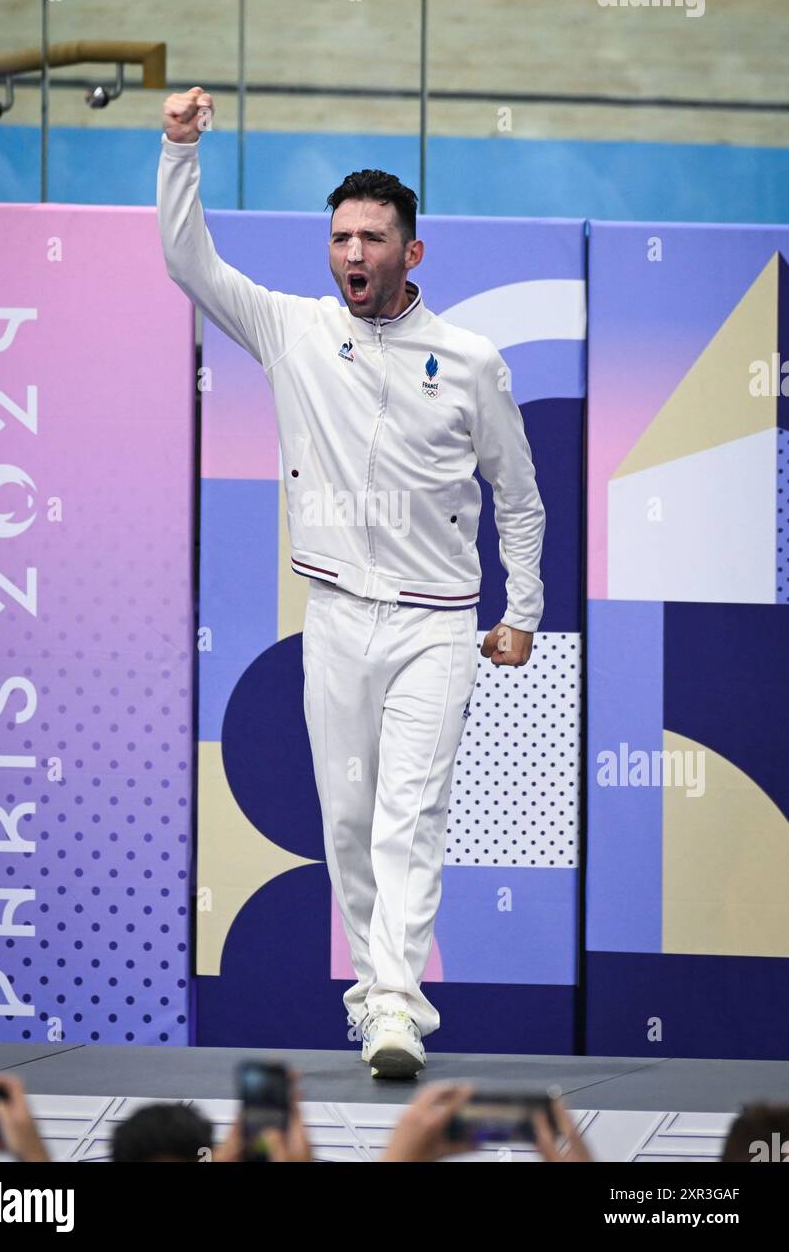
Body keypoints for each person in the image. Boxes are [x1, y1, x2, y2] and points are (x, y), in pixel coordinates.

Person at [157, 88, 546, 1079]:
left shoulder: (469, 362)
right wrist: (179, 146)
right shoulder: (291, 330)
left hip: (434, 626)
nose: (353, 253)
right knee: (346, 819)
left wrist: (522, 612)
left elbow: (521, 499)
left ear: (409, 253)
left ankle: (393, 1015)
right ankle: (375, 994)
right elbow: (186, 261)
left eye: (371, 237)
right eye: (339, 237)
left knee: (408, 814)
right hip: (332, 616)